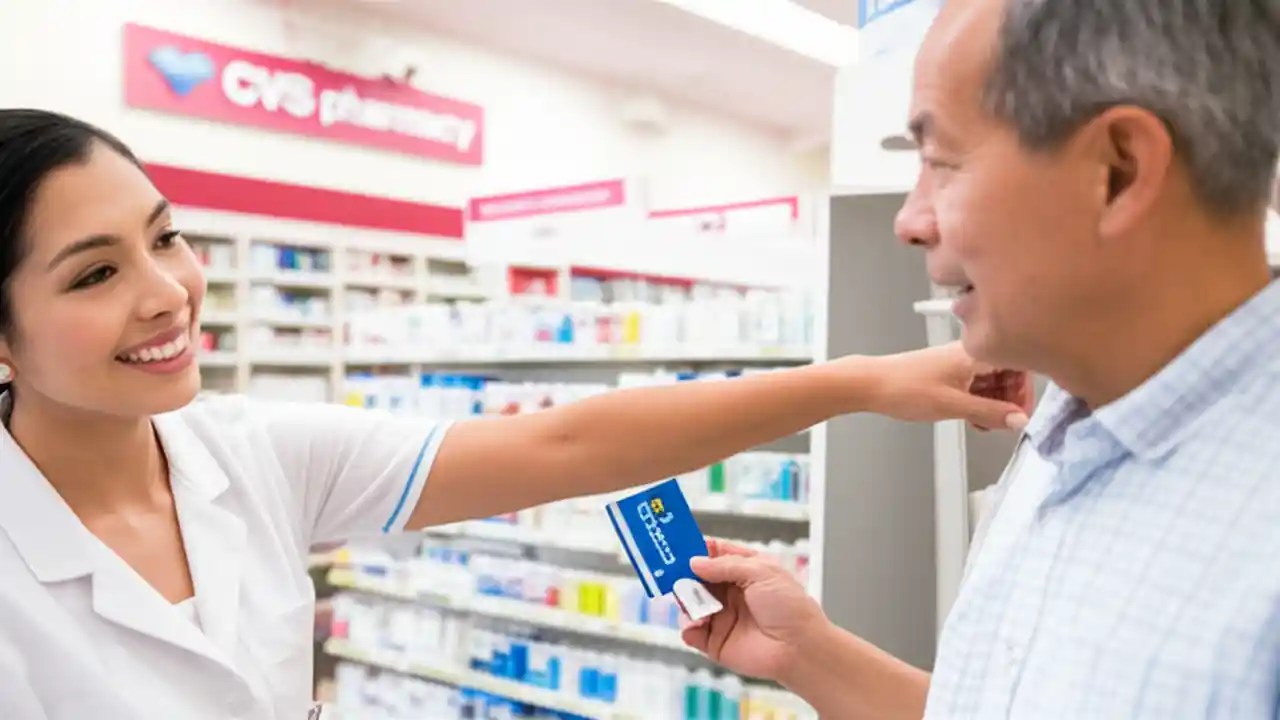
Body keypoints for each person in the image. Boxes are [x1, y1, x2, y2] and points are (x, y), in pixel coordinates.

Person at [0, 108, 1031, 720]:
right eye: (94, 274)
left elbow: (566, 444)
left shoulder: (248, 457)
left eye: (165, 237)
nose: (167, 291)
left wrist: (856, 383)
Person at [683, 0, 1280, 718]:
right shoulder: (1058, 438)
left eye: (940, 163)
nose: (909, 222)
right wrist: (805, 652)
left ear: (1118, 170)